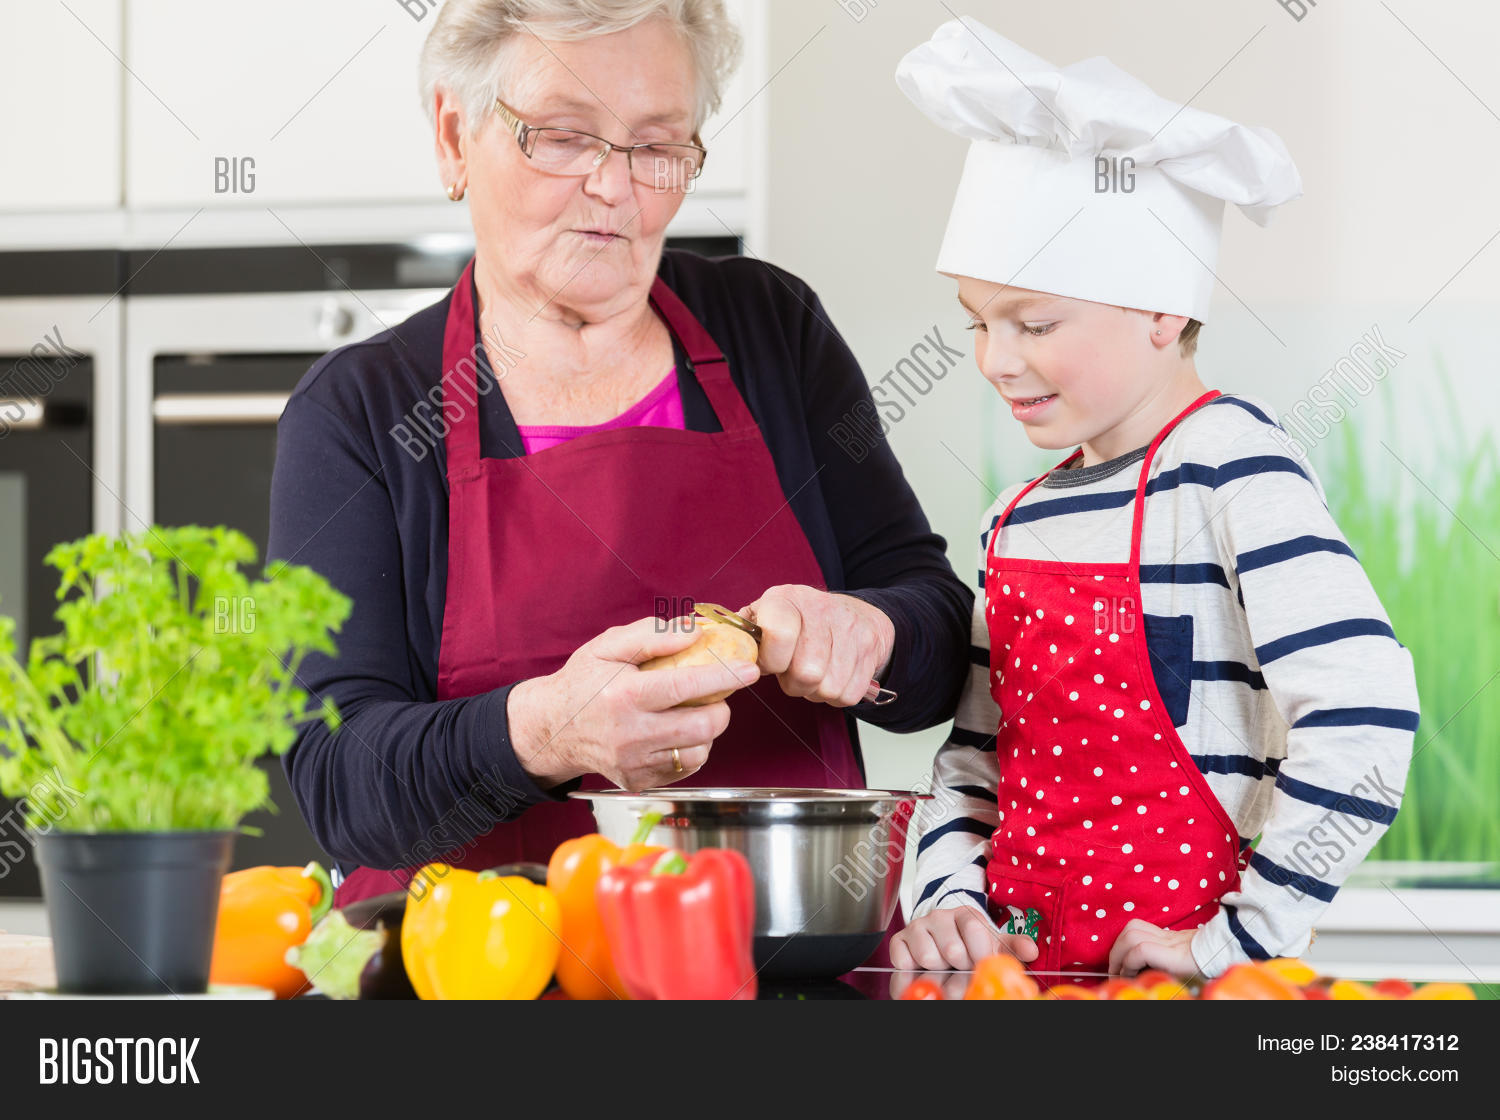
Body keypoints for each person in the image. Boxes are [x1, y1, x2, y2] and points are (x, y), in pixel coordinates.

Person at [266, 0, 971, 908]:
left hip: (789, 955)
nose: (614, 186)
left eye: (657, 146)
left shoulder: (772, 330)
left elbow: (939, 640)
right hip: (486, 967)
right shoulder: (362, 410)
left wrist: (873, 633)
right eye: (563, 137)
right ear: (453, 136)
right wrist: (545, 734)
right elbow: (338, 782)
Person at [888, 18, 1418, 977]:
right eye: (977, 324)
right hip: (1022, 989)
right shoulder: (1014, 517)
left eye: (1034, 323)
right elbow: (975, 762)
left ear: (1163, 311)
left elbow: (1368, 718)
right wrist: (949, 899)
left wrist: (1238, 943)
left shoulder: (1232, 472)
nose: (995, 360)